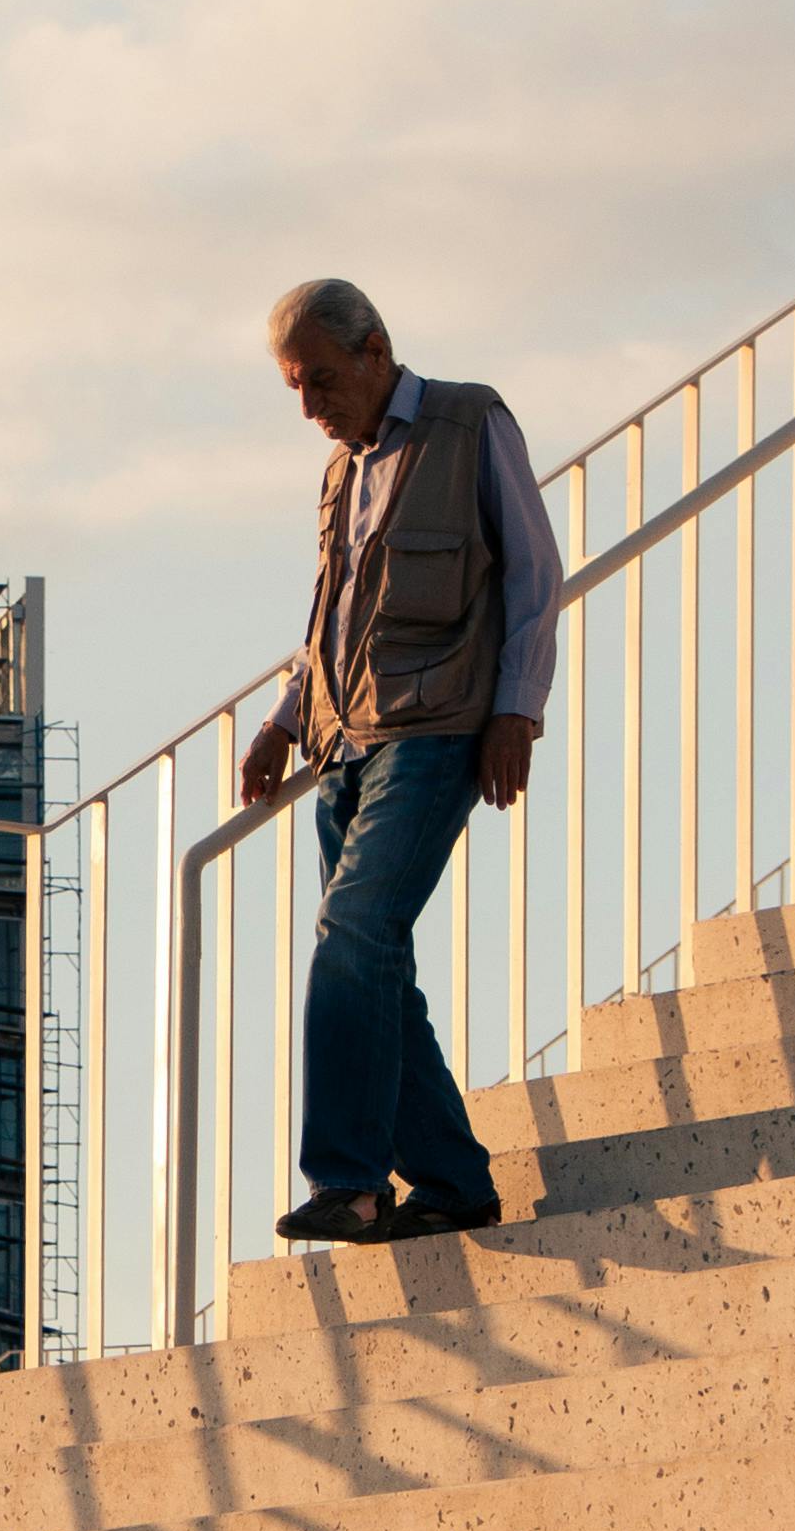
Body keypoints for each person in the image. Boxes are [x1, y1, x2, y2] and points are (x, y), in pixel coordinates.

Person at [237, 275, 562, 1247]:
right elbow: (329, 613)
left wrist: (516, 710)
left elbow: (536, 577)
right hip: (343, 745)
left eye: (320, 380)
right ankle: (453, 1180)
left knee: (351, 933)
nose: (309, 406)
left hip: (434, 732)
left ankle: (348, 1177)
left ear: (373, 348)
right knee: (377, 964)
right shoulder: (340, 474)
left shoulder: (468, 422)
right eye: (294, 388)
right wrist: (285, 719)